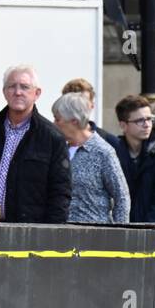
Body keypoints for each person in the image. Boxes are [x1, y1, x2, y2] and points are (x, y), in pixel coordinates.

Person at [0, 65, 71, 223]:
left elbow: (60, 193)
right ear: (4, 92)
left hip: (28, 232)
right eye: (12, 86)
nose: (17, 92)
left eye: (24, 87)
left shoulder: (52, 137)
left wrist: (52, 237)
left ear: (37, 93)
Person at [51, 92, 129, 224]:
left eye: (57, 119)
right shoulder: (58, 149)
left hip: (95, 236)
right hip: (60, 234)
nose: (53, 124)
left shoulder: (103, 152)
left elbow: (122, 197)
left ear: (74, 121)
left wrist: (121, 236)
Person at [113, 94, 155, 223]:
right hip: (123, 232)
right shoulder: (114, 153)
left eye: (149, 119)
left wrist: (145, 231)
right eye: (140, 120)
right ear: (123, 125)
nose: (147, 125)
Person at [61, 77, 116, 145]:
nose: (77, 108)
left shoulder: (109, 142)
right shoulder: (52, 139)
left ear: (92, 105)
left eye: (83, 102)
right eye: (72, 103)